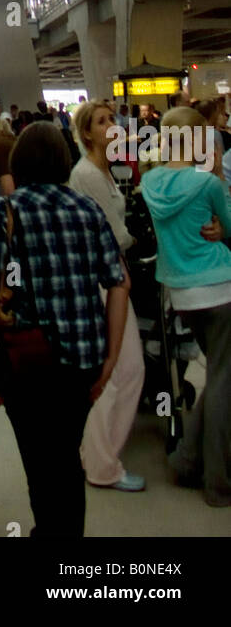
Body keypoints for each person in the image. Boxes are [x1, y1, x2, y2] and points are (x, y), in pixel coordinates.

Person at [0, 122, 129, 538]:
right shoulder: (87, 210)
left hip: (27, 360)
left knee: (41, 461)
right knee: (65, 457)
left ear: (20, 163)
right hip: (84, 358)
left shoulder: (8, 210)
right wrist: (111, 357)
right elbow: (119, 283)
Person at [141, 107, 231, 507]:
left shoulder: (151, 181)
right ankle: (218, 483)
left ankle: (186, 460)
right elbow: (227, 225)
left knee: (220, 378)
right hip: (220, 286)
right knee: (224, 384)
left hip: (180, 293)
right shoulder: (206, 183)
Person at [70, 100, 146, 492]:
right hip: (105, 282)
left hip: (109, 278)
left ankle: (97, 454)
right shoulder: (88, 174)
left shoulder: (103, 171)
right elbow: (115, 234)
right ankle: (102, 466)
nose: (111, 125)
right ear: (87, 133)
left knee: (122, 371)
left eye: (112, 119)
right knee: (118, 372)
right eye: (101, 122)